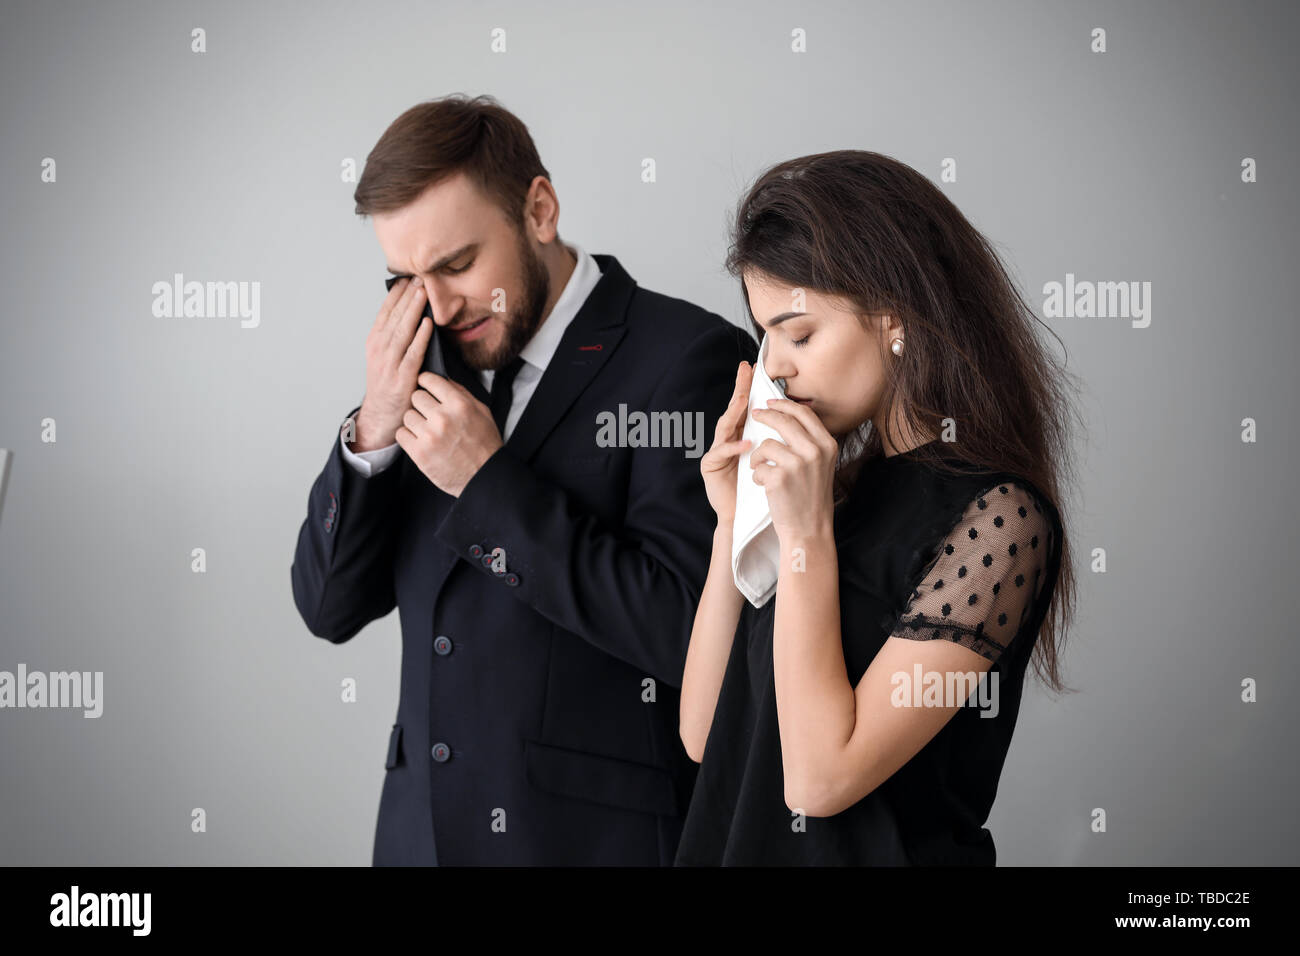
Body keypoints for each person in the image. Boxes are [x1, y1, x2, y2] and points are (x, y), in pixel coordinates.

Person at [291, 94, 756, 865]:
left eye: (456, 264)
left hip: (594, 844)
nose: (435, 307)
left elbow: (688, 631)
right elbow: (328, 606)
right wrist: (372, 426)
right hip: (419, 840)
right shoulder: (423, 363)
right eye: (403, 280)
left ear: (539, 208)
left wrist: (488, 485)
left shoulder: (690, 359)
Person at [675, 150, 1082, 865]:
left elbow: (820, 780)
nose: (774, 364)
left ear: (895, 318)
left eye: (798, 333)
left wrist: (805, 535)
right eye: (764, 333)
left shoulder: (1001, 519)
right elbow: (709, 736)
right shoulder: (834, 489)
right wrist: (731, 524)